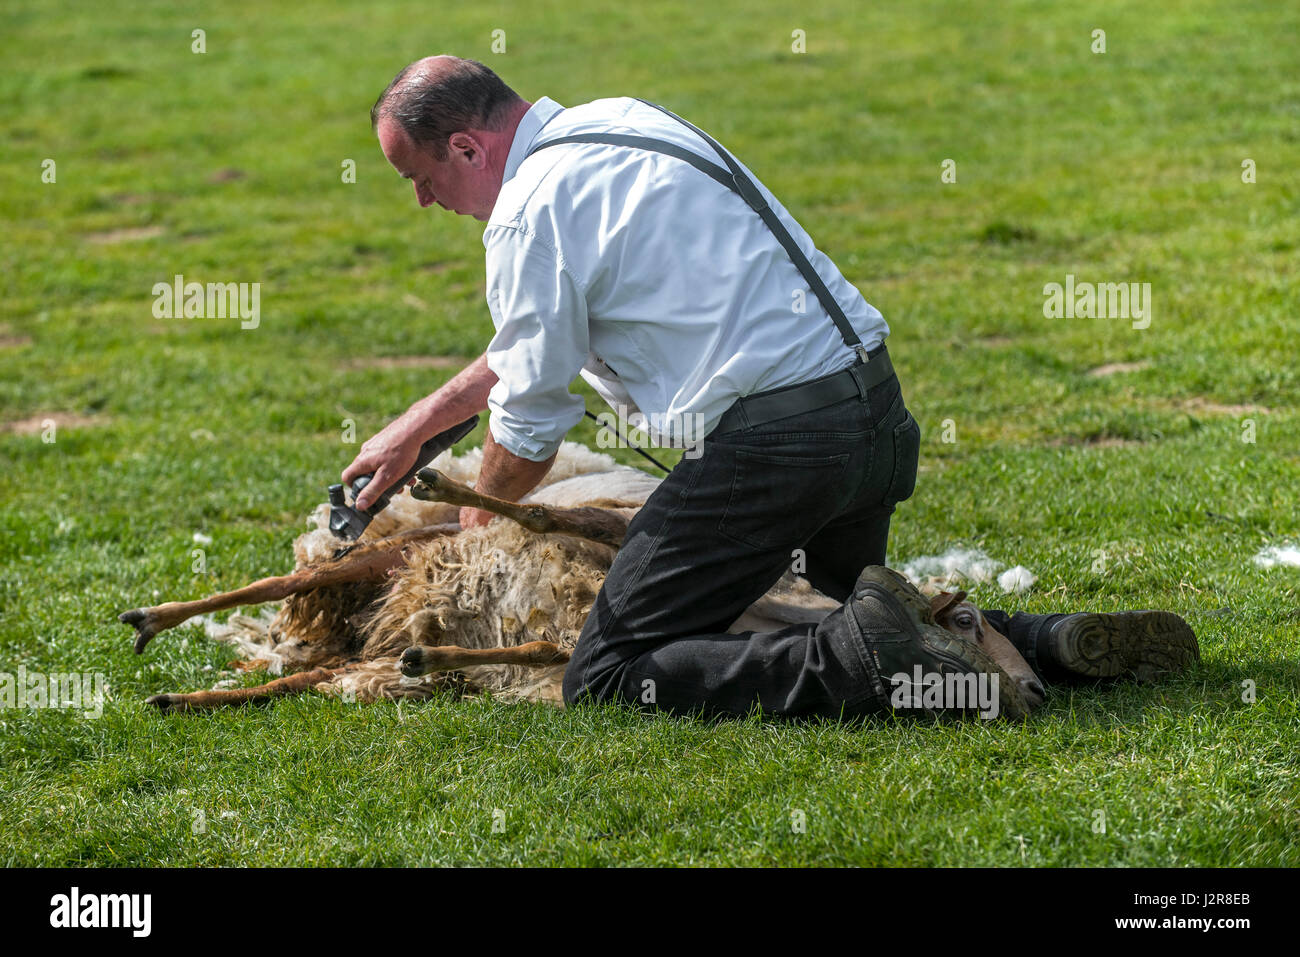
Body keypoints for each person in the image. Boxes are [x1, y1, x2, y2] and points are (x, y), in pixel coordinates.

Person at [344, 55, 1198, 719]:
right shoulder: (619, 121)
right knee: (821, 601)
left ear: (466, 146)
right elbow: (538, 339)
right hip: (870, 414)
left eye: (418, 175)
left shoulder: (530, 213)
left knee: (607, 672)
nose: (422, 200)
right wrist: (422, 422)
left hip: (779, 449)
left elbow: (526, 434)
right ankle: (1043, 644)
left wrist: (473, 520)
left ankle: (863, 663)